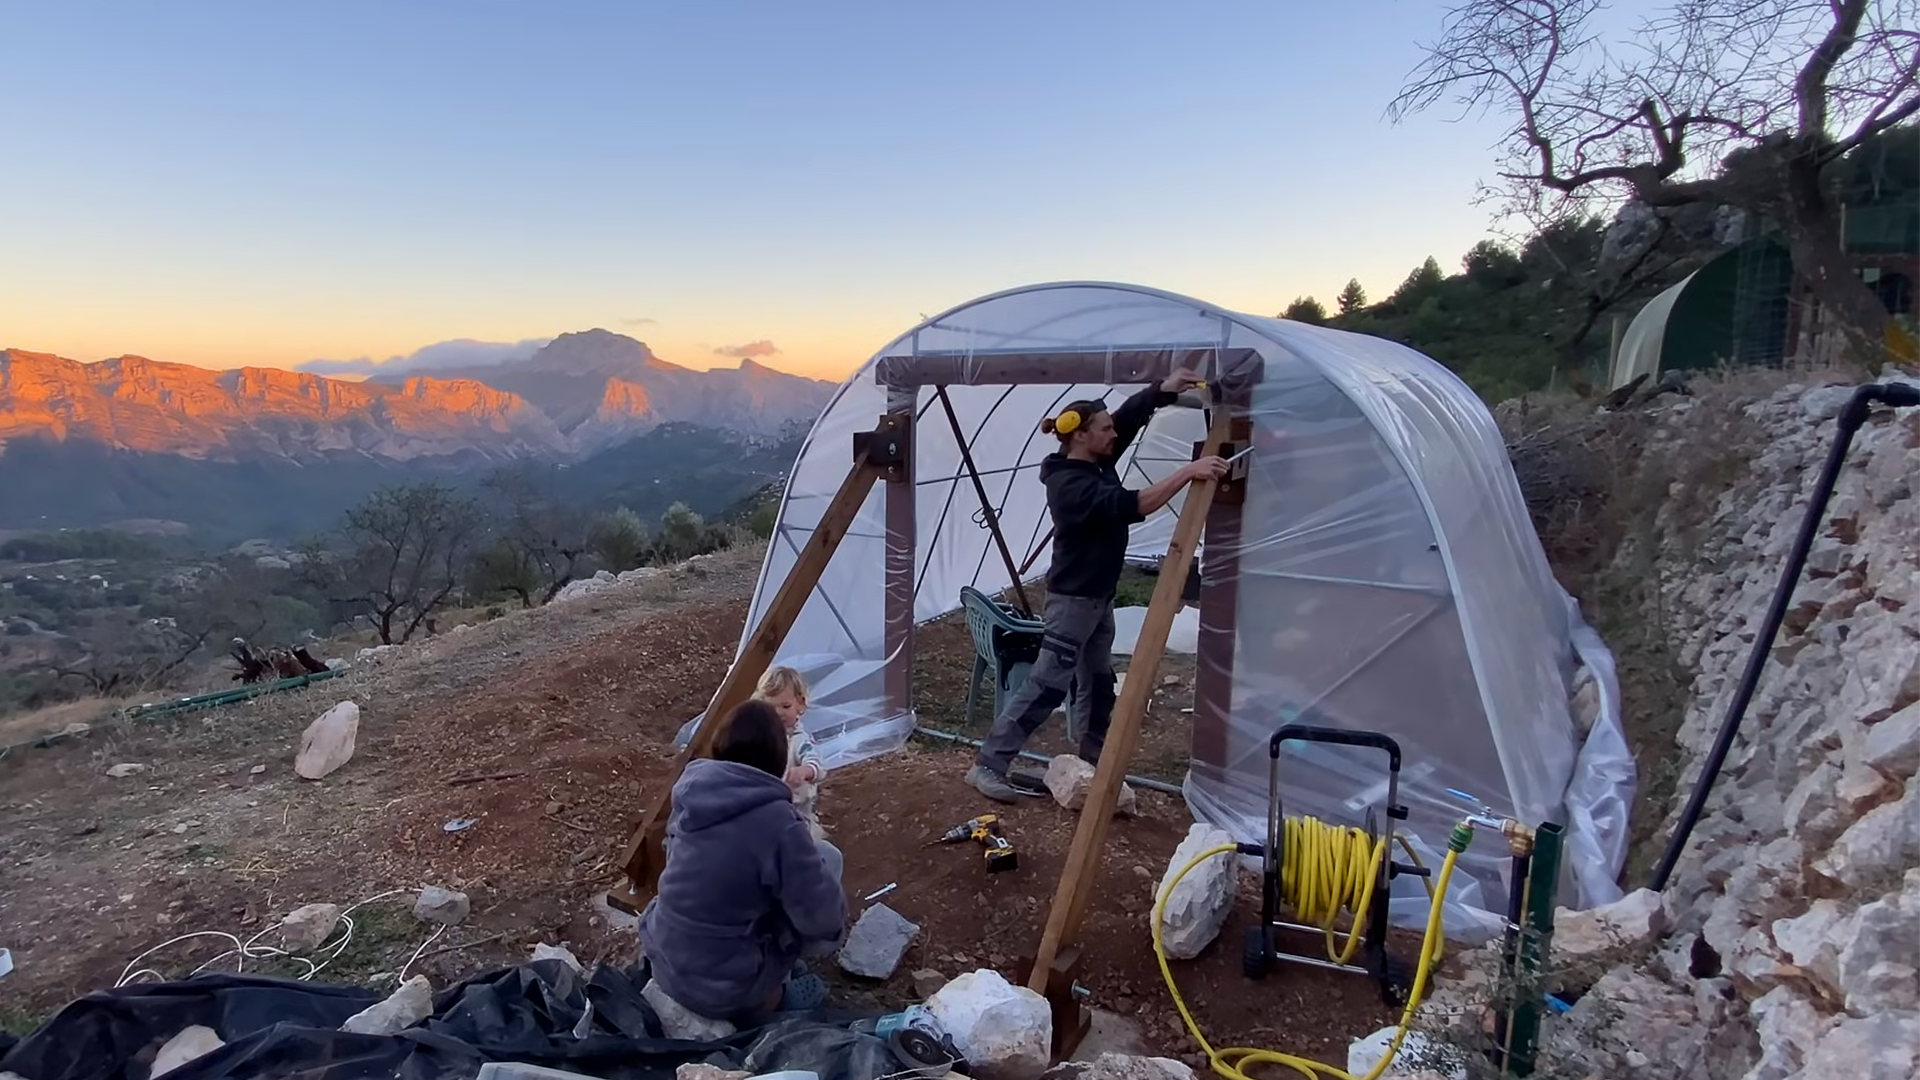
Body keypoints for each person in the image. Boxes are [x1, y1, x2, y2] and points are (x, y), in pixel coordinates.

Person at [966, 368, 1228, 802]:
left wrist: (1160, 390)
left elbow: (1125, 419)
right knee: (1049, 683)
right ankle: (989, 764)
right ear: (1081, 437)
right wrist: (1190, 471)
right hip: (1073, 602)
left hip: (1098, 598)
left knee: (1099, 681)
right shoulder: (1069, 485)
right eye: (1103, 429)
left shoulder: (1096, 457)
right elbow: (1132, 505)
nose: (1114, 434)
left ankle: (1091, 764)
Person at [639, 699, 848, 1021]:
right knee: (826, 860)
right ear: (777, 756)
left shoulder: (692, 790)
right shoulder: (777, 822)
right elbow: (823, 919)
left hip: (665, 959)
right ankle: (776, 994)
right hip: (723, 991)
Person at [757, 665, 829, 841]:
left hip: (796, 813)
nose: (778, 713)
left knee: (802, 844)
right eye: (771, 707)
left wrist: (805, 770)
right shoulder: (760, 737)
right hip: (767, 810)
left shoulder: (799, 741)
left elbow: (816, 764)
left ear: (801, 704)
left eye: (785, 706)